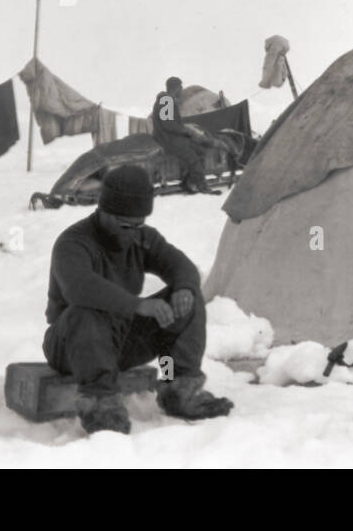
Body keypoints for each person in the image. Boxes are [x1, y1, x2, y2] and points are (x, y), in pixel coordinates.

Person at [42, 165, 233, 434]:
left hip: (120, 340)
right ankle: (100, 404)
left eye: (138, 224)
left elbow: (181, 266)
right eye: (124, 224)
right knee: (85, 313)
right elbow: (79, 288)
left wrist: (184, 288)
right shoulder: (73, 243)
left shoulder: (141, 237)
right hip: (71, 345)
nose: (131, 232)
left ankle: (176, 387)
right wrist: (138, 305)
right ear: (104, 211)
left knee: (186, 302)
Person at [151, 76, 217, 194]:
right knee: (193, 158)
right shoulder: (166, 100)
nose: (182, 90)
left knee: (200, 149)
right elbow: (168, 125)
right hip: (168, 139)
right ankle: (202, 187)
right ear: (176, 88)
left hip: (170, 137)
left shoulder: (166, 100)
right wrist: (187, 131)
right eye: (180, 88)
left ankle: (188, 182)